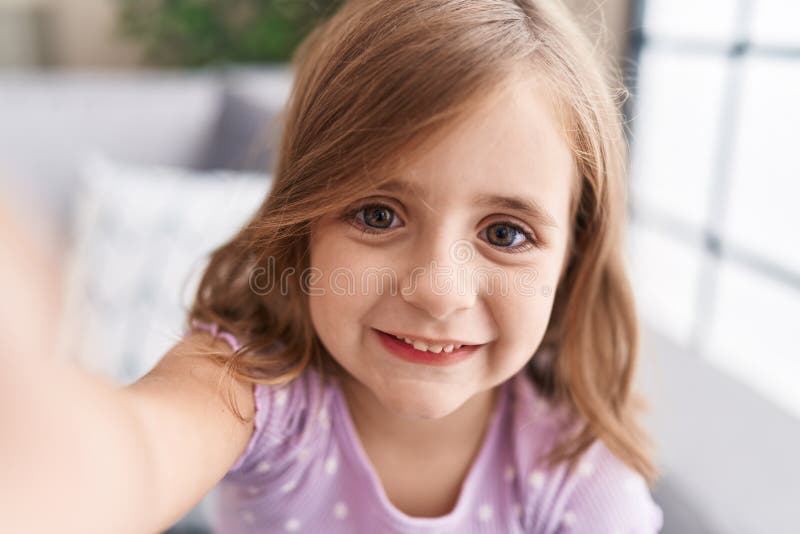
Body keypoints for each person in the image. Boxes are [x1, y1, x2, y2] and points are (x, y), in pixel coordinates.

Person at [0, 0, 665, 532]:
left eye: (505, 232)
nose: (438, 290)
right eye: (378, 215)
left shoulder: (579, 475)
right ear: (305, 224)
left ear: (573, 259)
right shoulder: (261, 388)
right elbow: (137, 457)